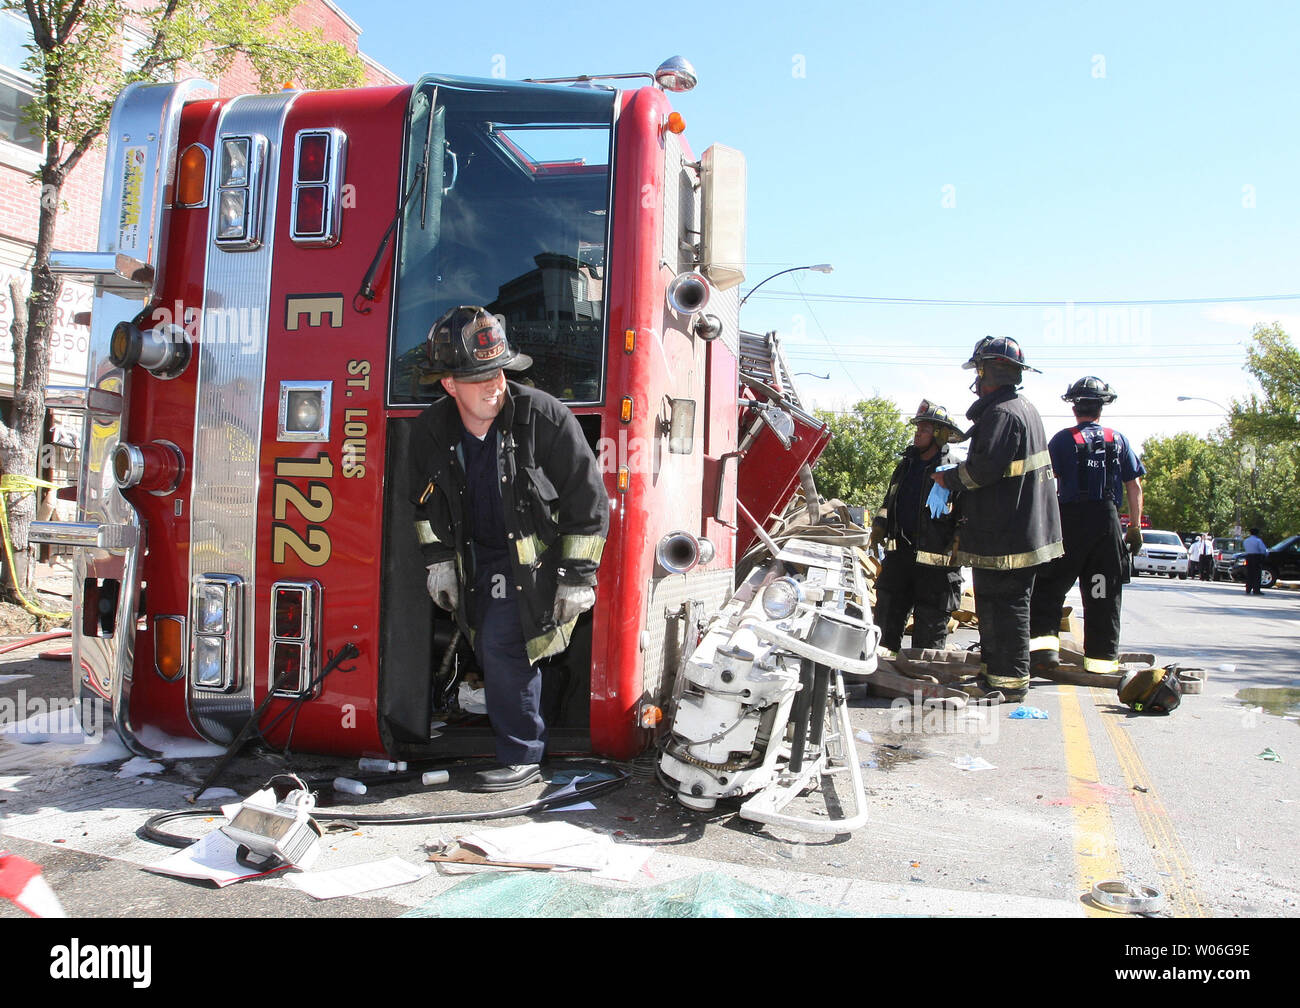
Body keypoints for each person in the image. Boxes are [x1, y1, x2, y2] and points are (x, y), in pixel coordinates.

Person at [409, 306, 609, 791]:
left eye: (498, 372)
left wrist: (578, 577)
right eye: (477, 378)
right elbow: (424, 508)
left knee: (504, 646)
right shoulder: (431, 431)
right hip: (475, 557)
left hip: (534, 561)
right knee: (496, 646)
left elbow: (590, 501)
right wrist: (438, 564)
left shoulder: (545, 417)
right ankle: (525, 742)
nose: (493, 385)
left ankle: (522, 757)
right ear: (449, 385)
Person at [931, 336, 1063, 703]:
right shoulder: (1020, 408)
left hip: (1007, 535)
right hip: (1015, 531)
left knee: (1005, 606)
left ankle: (1008, 683)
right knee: (997, 605)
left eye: (979, 369)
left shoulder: (1002, 414)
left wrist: (949, 477)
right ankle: (996, 675)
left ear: (989, 370)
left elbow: (983, 471)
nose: (976, 377)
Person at [1027, 377, 1145, 677]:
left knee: (1049, 588)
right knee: (1102, 593)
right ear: (1101, 408)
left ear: (1075, 407)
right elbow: (1134, 486)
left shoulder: (1063, 440)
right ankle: (1101, 661)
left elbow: (1042, 482)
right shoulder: (1119, 440)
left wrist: (1040, 524)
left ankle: (1043, 656)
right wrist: (1133, 527)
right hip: (1106, 527)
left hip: (1069, 524)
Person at [870, 401, 966, 654]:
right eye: (917, 428)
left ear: (939, 434)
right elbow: (887, 503)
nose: (917, 434)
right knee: (885, 627)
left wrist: (959, 541)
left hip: (936, 572)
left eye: (923, 429)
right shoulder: (906, 466)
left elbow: (966, 515)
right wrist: (879, 525)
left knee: (929, 639)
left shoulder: (954, 471)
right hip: (899, 560)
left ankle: (922, 685)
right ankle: (881, 678)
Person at [1243, 528, 1268, 595]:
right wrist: (1265, 555)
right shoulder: (1258, 541)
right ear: (1257, 533)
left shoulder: (1246, 541)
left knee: (1249, 573)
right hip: (1256, 557)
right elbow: (1263, 550)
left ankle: (1248, 589)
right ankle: (1256, 590)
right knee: (1257, 574)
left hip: (1248, 557)